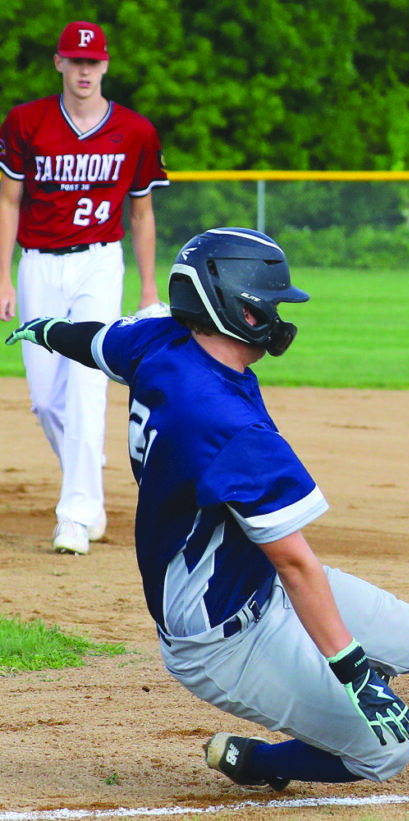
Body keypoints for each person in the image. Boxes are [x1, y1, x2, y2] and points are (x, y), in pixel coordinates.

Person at [4, 227, 409, 788]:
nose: (277, 315)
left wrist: (44, 331)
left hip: (248, 582)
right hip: (221, 638)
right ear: (234, 311)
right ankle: (256, 762)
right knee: (390, 748)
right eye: (268, 304)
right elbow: (296, 565)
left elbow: (97, 341)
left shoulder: (164, 343)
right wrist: (356, 673)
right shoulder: (226, 426)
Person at [0, 20, 170, 555]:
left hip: (100, 261)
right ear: (59, 63)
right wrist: (1, 274)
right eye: (75, 60)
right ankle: (86, 469)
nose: (84, 70)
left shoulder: (135, 131)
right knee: (47, 401)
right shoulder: (26, 123)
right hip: (39, 264)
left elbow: (140, 214)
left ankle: (74, 516)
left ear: (105, 65)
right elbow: (8, 201)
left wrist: (148, 292)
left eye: (92, 61)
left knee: (87, 385)